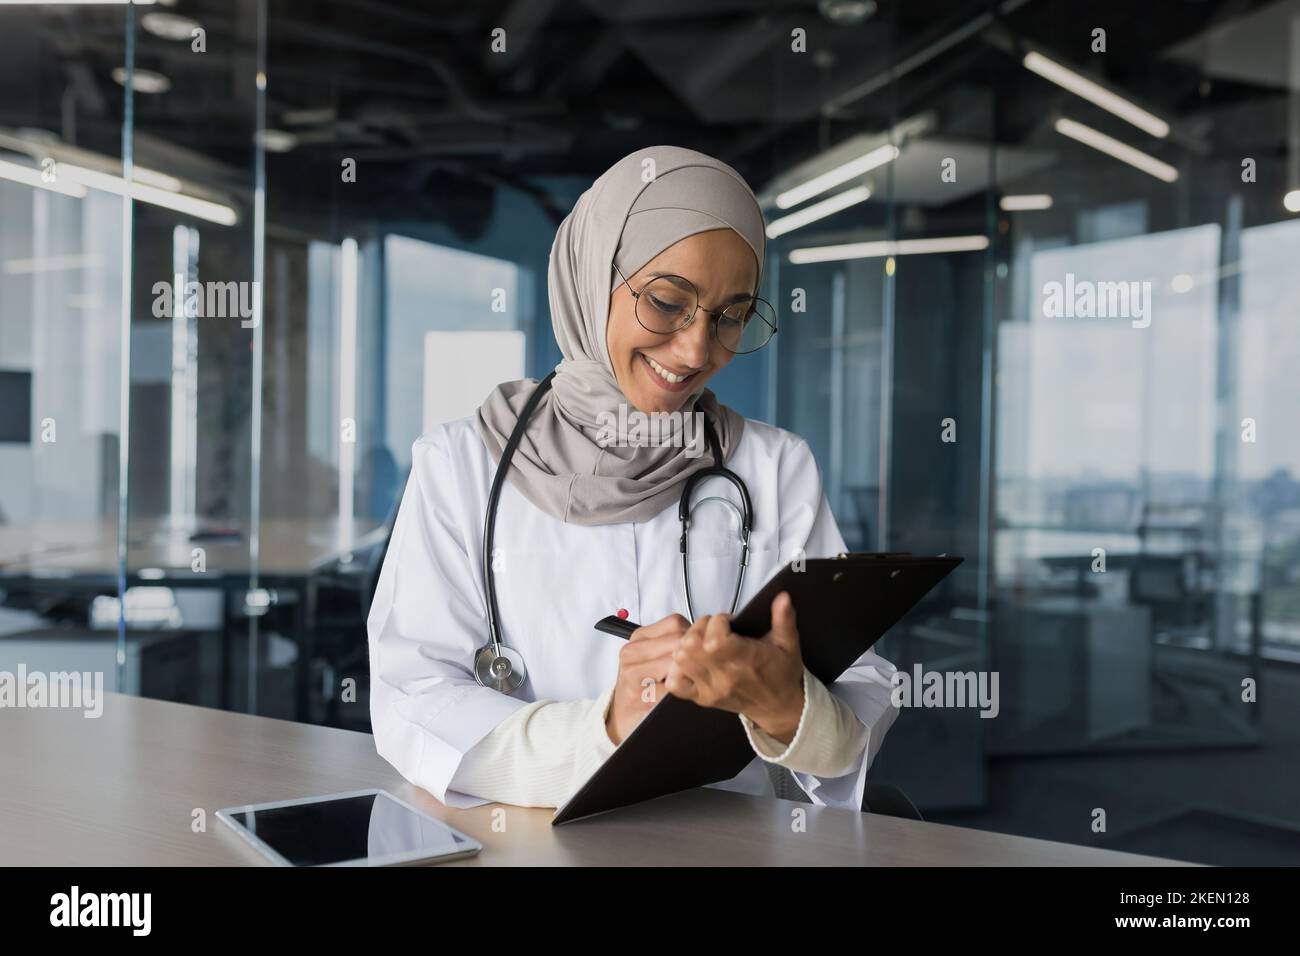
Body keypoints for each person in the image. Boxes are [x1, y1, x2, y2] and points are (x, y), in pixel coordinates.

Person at [367, 145, 898, 811]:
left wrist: (791, 711)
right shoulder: (460, 466)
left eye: (731, 315)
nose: (696, 348)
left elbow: (864, 688)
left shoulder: (775, 468)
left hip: (721, 852)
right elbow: (410, 699)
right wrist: (606, 730)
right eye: (669, 302)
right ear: (591, 279)